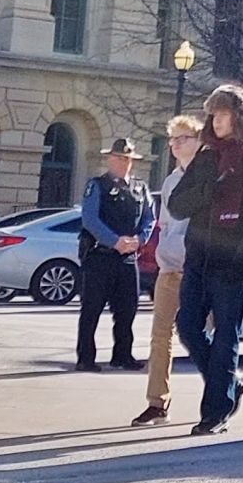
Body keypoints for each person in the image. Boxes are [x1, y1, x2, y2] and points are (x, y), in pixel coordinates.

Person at [168, 83, 243, 434]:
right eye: (213, 114)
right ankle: (229, 384)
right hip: (199, 257)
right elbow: (176, 204)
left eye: (225, 114)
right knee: (187, 327)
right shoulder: (205, 156)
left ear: (240, 118)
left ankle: (215, 411)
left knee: (227, 335)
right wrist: (206, 191)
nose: (217, 121)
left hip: (232, 261)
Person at [134, 116, 201, 425]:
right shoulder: (171, 180)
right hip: (168, 269)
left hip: (198, 269)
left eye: (182, 138)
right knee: (160, 335)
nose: (174, 145)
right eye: (172, 139)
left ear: (199, 140)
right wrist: (164, 252)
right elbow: (164, 225)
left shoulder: (207, 177)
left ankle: (221, 390)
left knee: (202, 335)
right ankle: (157, 402)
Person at [76, 136, 153, 374]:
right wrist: (114, 241)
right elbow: (90, 220)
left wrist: (140, 240)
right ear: (109, 159)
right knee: (92, 310)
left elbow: (150, 218)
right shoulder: (96, 186)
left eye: (127, 159)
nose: (123, 162)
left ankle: (123, 355)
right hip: (100, 256)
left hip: (128, 258)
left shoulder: (139, 187)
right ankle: (85, 358)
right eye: (118, 157)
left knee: (127, 309)